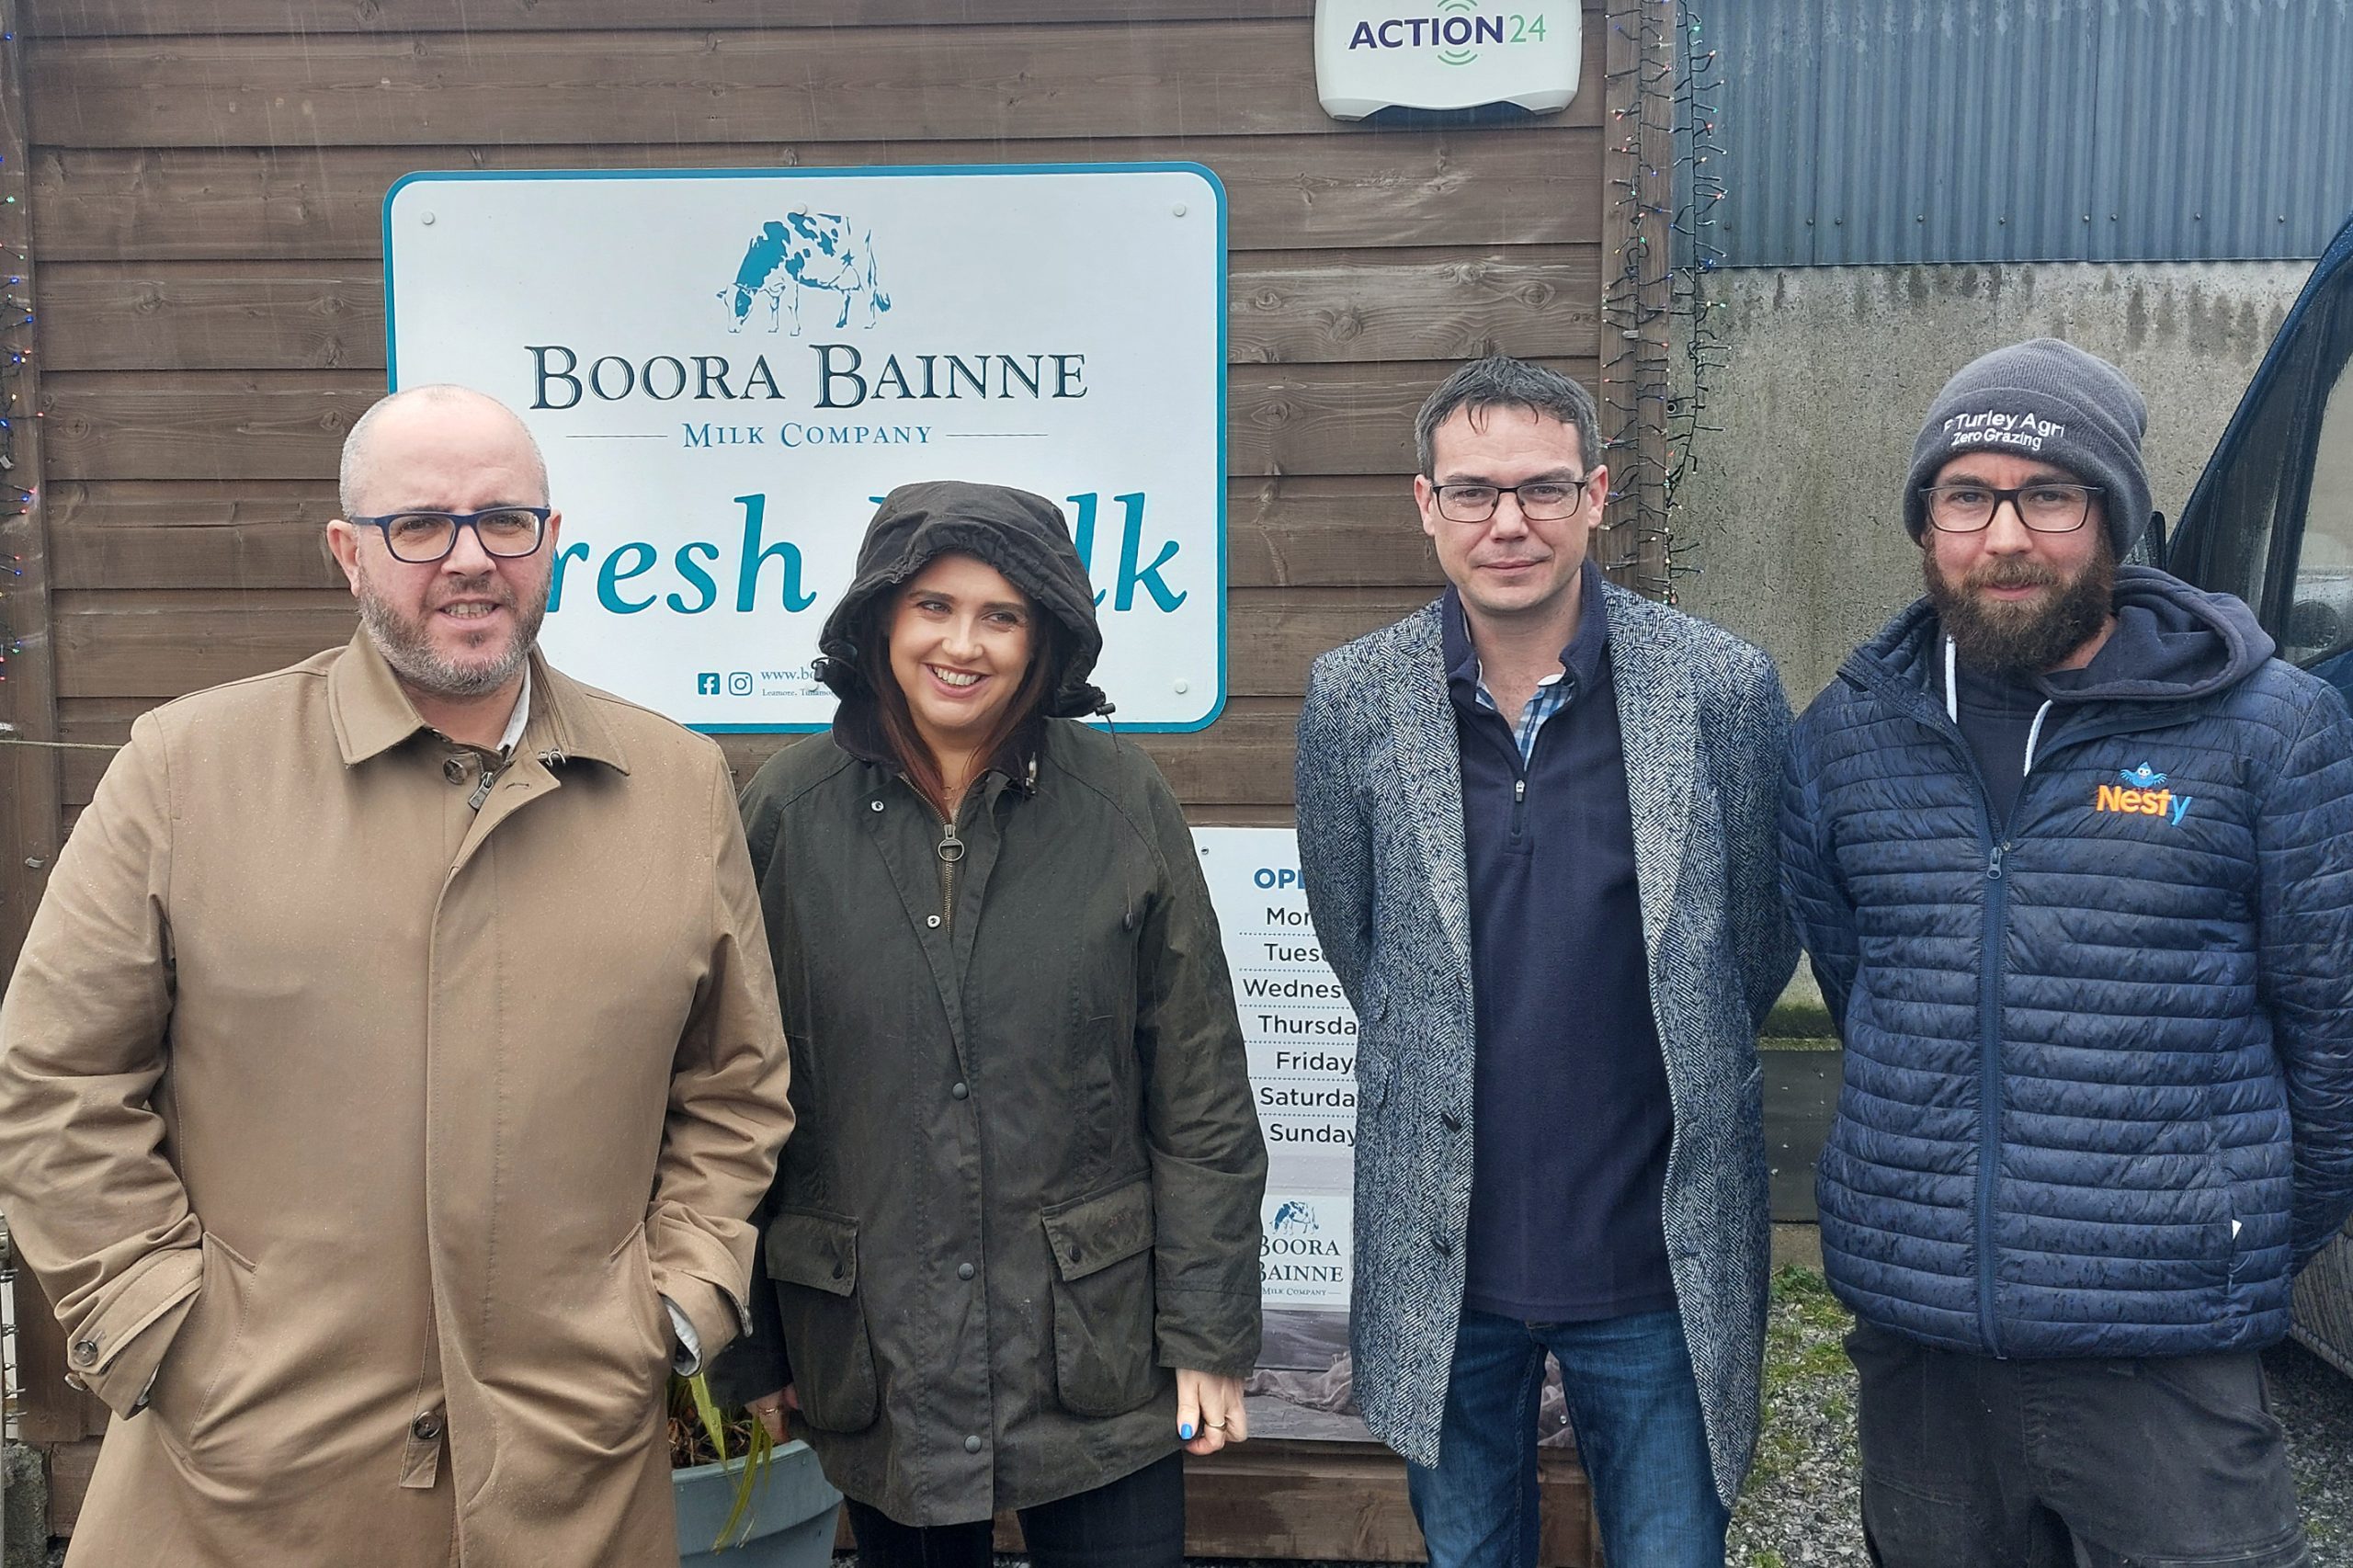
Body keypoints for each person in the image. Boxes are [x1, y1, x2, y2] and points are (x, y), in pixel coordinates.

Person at [0, 385, 794, 1566]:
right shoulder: (186, 770)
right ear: (348, 552)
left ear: (552, 540)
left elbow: (735, 1082)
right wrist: (158, 1325)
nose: (470, 558)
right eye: (419, 524)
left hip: (568, 1480)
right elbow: (56, 1075)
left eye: (504, 520)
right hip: (243, 1484)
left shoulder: (675, 784)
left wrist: (677, 1299)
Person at [1782, 337, 2353, 1567]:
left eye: (2048, 495)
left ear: (2113, 519)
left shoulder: (2269, 731)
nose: (2005, 536)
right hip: (1926, 1349)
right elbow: (1859, 981)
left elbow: (2333, 1035)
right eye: (1966, 497)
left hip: (2165, 1353)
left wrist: (2224, 1231)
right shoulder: (1846, 736)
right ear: (1925, 523)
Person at [1293, 356, 1798, 1567]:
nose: (1507, 521)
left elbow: (1755, 942)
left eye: (1541, 487)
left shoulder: (1720, 688)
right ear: (1426, 505)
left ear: (1596, 496)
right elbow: (1360, 941)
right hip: (1446, 1260)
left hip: (1657, 1260)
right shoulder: (1353, 698)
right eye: (1473, 491)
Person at [711, 481, 1267, 1568]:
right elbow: (737, 1089)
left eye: (1000, 615)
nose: (961, 644)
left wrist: (1208, 1331)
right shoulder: (787, 809)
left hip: (1095, 1349)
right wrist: (755, 1348)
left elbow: (1200, 1092)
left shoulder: (1121, 803)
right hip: (881, 1349)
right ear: (880, 617)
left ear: (1043, 636)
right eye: (933, 606)